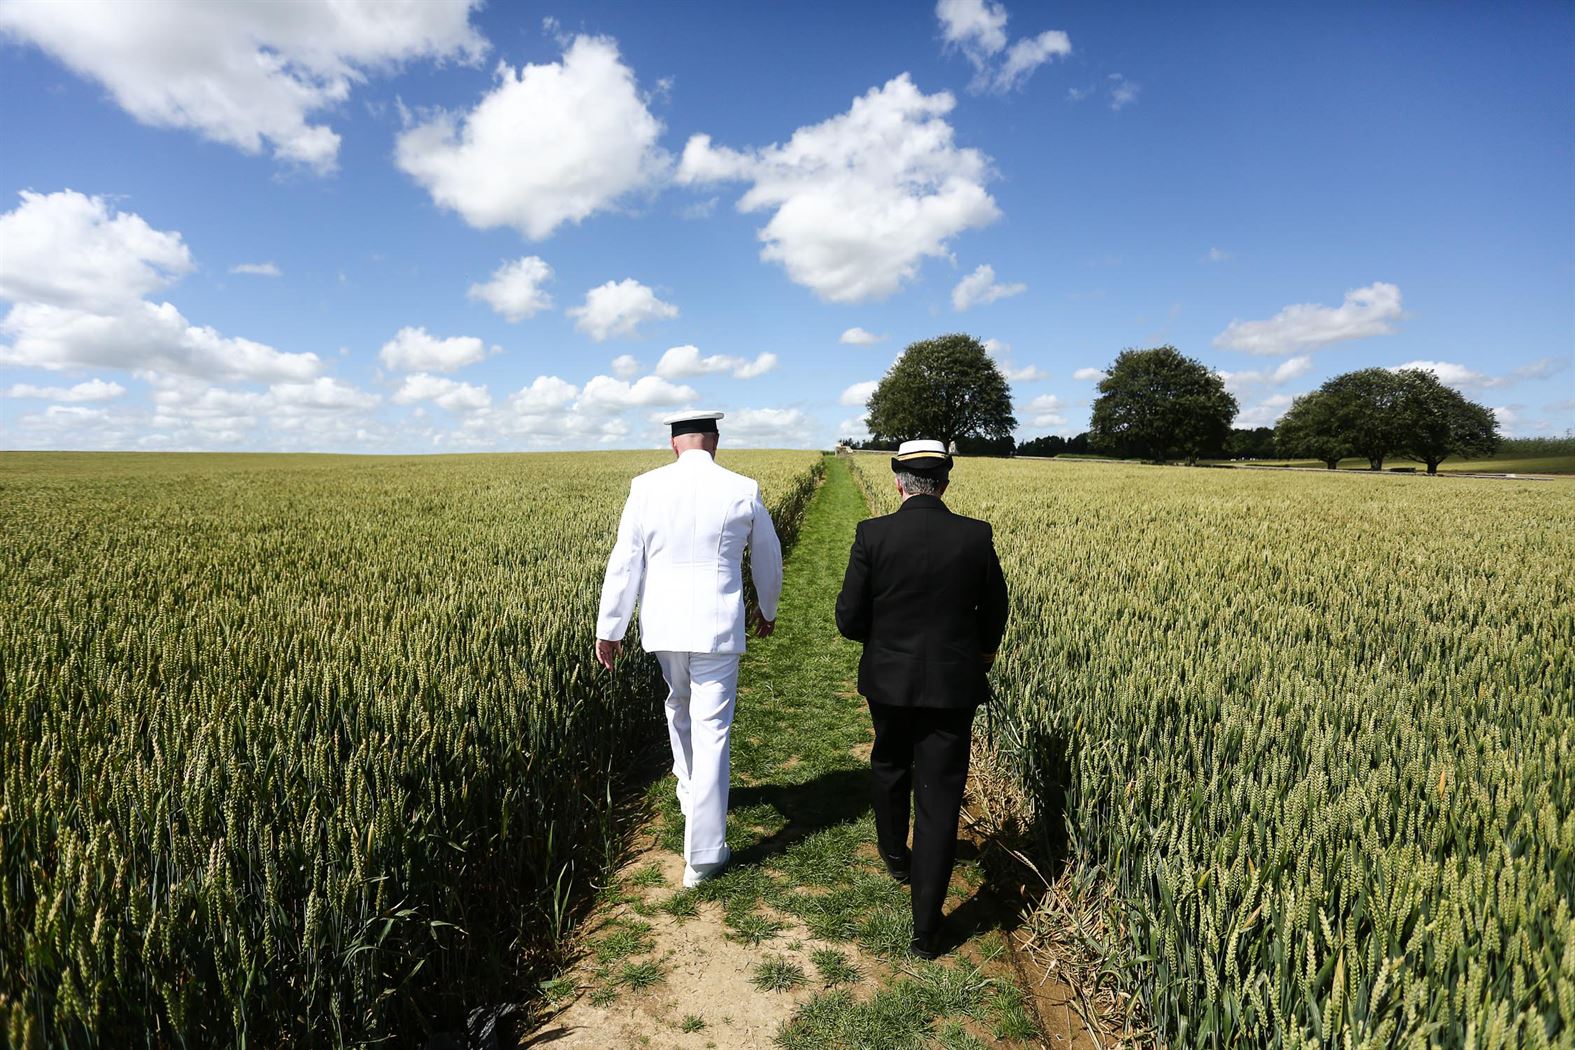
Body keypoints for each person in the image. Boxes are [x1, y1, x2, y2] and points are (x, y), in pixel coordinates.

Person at [834, 439, 1009, 958]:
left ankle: (894, 855)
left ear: (898, 481)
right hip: (953, 687)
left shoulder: (873, 534)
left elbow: (848, 619)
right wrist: (979, 653)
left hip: (888, 681)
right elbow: (996, 609)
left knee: (889, 761)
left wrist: (883, 642)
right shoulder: (976, 536)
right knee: (940, 796)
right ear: (946, 482)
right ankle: (927, 931)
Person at [595, 410, 783, 888]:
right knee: (713, 727)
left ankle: (688, 789)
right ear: (715, 441)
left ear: (673, 445)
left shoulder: (645, 487)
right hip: (718, 626)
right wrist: (768, 606)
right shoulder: (743, 488)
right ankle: (703, 855)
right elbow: (767, 553)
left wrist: (610, 627)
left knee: (677, 704)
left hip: (663, 624)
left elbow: (625, 561)